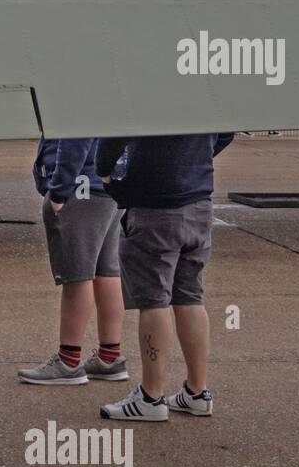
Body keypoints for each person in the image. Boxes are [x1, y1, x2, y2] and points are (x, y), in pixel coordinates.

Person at [95, 133, 235, 420]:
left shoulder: (147, 87)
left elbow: (113, 135)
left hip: (153, 202)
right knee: (190, 296)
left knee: (154, 301)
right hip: (198, 200)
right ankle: (197, 392)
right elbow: (226, 131)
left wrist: (106, 174)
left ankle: (151, 396)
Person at [20, 137, 128, 385]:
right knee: (107, 272)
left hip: (82, 188)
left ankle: (68, 362)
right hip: (109, 188)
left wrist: (59, 190)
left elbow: (75, 140)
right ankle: (109, 357)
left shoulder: (76, 99)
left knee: (77, 275)